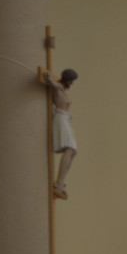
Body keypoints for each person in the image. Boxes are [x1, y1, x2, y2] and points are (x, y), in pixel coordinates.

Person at [42, 68, 78, 200]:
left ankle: (61, 181)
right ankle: (58, 182)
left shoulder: (66, 90)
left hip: (66, 119)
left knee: (73, 151)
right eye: (71, 80)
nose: (72, 83)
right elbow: (53, 85)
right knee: (69, 149)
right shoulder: (59, 88)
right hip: (60, 118)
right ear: (66, 79)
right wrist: (49, 79)